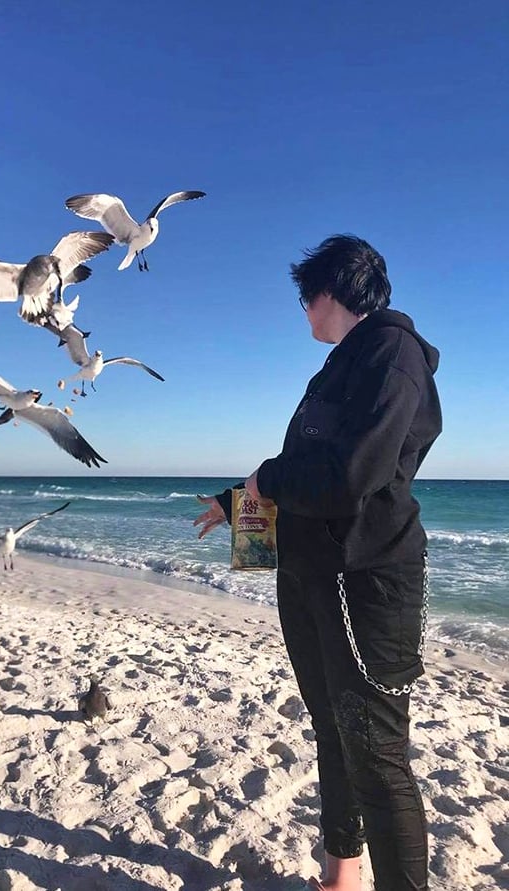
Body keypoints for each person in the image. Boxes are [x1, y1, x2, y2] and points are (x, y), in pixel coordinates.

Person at [194, 234, 442, 891]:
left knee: (379, 758)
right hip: (309, 578)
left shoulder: (393, 353)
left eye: (307, 298)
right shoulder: (340, 364)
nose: (303, 312)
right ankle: (341, 876)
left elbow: (349, 475)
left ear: (331, 293)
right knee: (333, 732)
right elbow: (308, 470)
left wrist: (262, 477)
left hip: (364, 582)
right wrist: (237, 499)